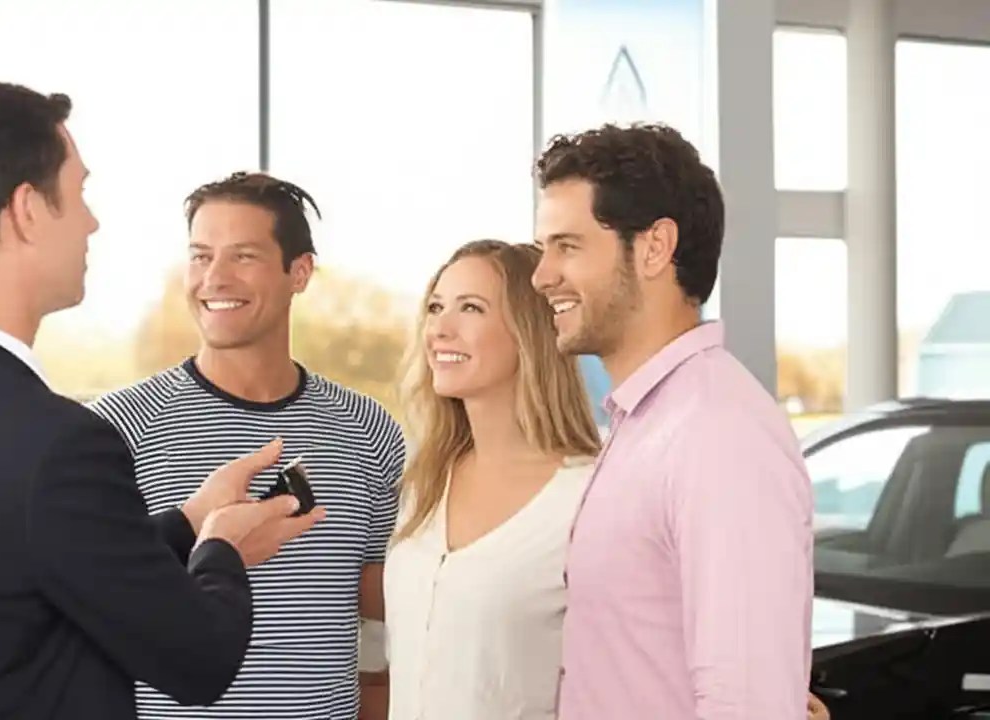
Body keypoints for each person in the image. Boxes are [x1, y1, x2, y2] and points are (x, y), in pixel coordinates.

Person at [0, 79, 317, 720]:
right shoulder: (60, 444)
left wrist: (187, 523)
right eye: (77, 192)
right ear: (26, 210)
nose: (92, 221)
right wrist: (221, 547)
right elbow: (200, 659)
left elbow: (19, 576)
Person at [90, 171, 403, 720]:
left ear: (299, 272)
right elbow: (87, 612)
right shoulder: (117, 427)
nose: (214, 277)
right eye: (200, 255)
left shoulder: (368, 431)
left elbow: (389, 612)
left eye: (243, 257)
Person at [530, 122, 814, 719]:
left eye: (568, 246)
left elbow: (747, 705)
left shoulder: (719, 435)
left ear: (655, 247)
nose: (541, 275)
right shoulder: (648, 422)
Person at [382, 239, 602, 720]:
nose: (440, 328)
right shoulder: (424, 483)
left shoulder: (591, 496)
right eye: (435, 307)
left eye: (471, 308)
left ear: (530, 333)